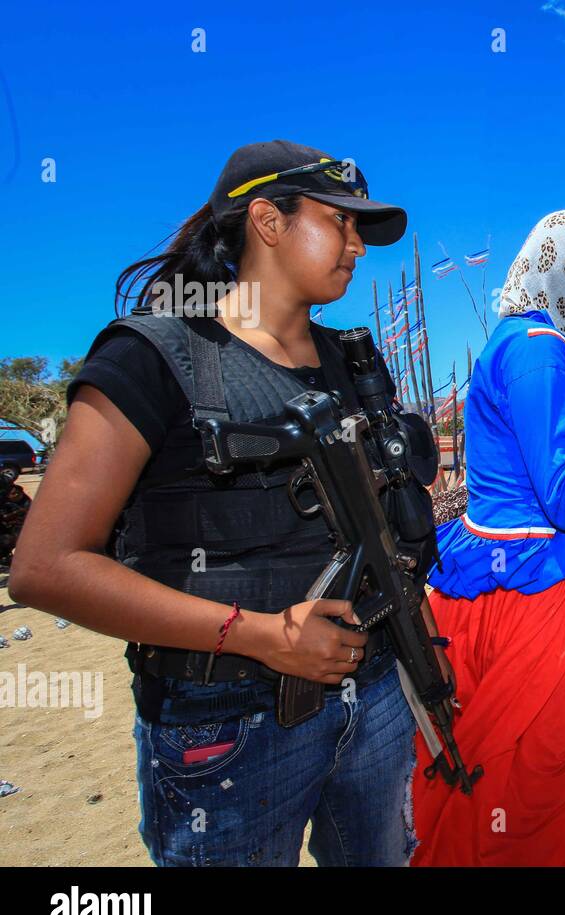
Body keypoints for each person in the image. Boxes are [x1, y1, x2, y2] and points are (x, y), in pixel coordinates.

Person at [9, 140, 431, 866]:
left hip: (378, 701)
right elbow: (46, 567)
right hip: (226, 730)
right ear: (268, 220)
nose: (358, 244)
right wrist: (260, 634)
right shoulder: (154, 357)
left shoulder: (355, 368)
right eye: (342, 222)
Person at [409, 209, 565, 866]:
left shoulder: (520, 340)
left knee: (521, 767)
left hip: (492, 577)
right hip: (533, 597)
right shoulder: (540, 350)